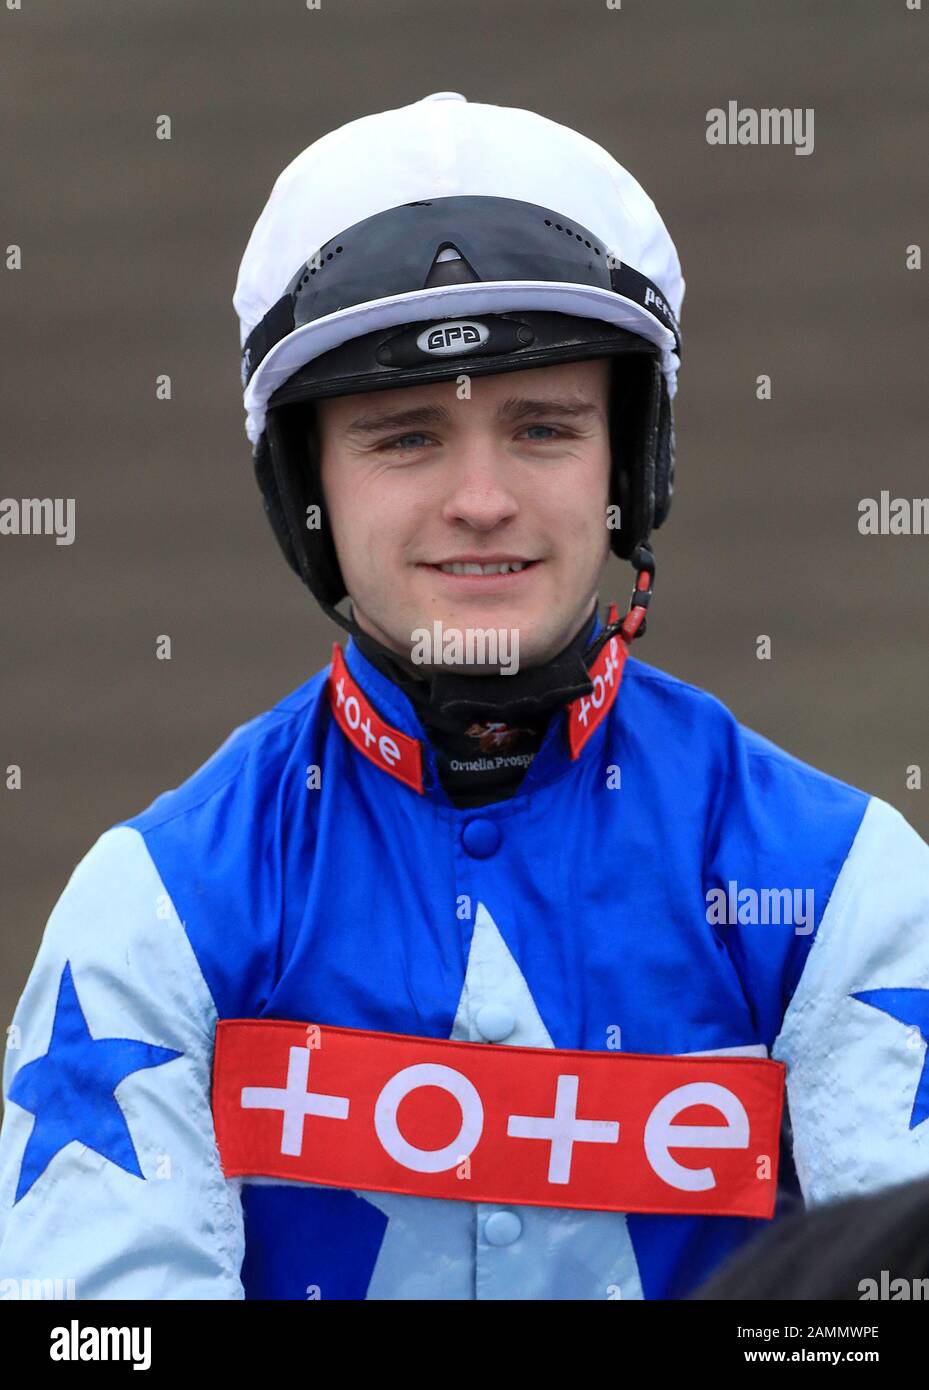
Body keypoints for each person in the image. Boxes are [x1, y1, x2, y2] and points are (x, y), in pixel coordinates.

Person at [1, 92, 928, 1301]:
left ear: (626, 466)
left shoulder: (841, 884)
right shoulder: (154, 910)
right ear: (309, 489)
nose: (480, 498)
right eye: (403, 438)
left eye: (541, 428)